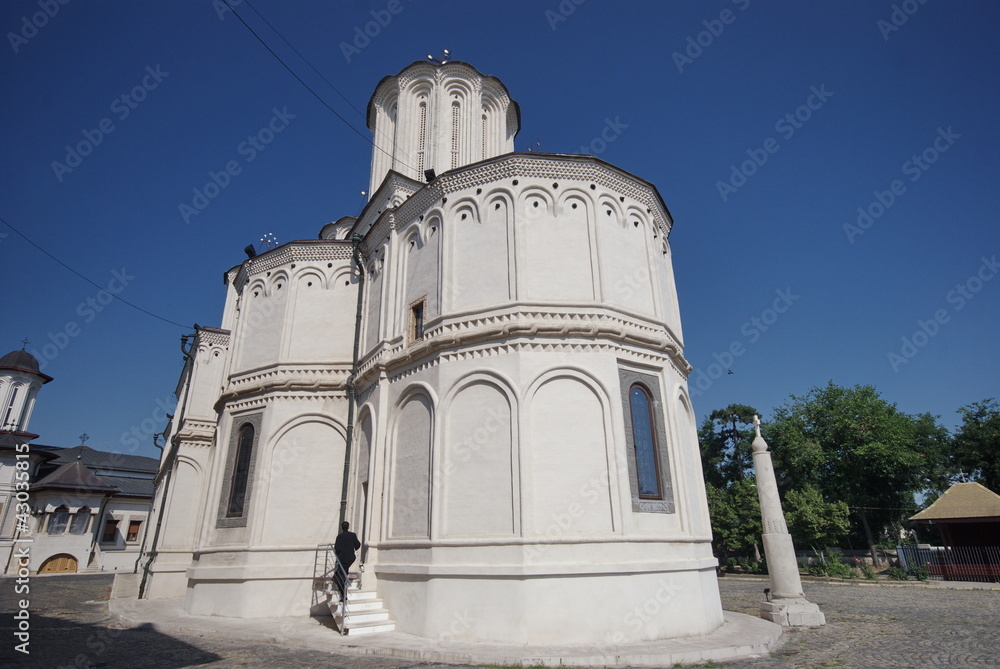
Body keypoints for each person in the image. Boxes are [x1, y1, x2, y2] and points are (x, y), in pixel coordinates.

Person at [333, 521, 360, 599]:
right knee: (341, 573)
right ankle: (341, 591)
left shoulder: (340, 536)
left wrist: (338, 556)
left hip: (343, 558)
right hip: (351, 557)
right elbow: (358, 545)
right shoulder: (353, 535)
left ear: (342, 527)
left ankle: (343, 595)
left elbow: (337, 548)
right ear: (348, 527)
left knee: (341, 575)